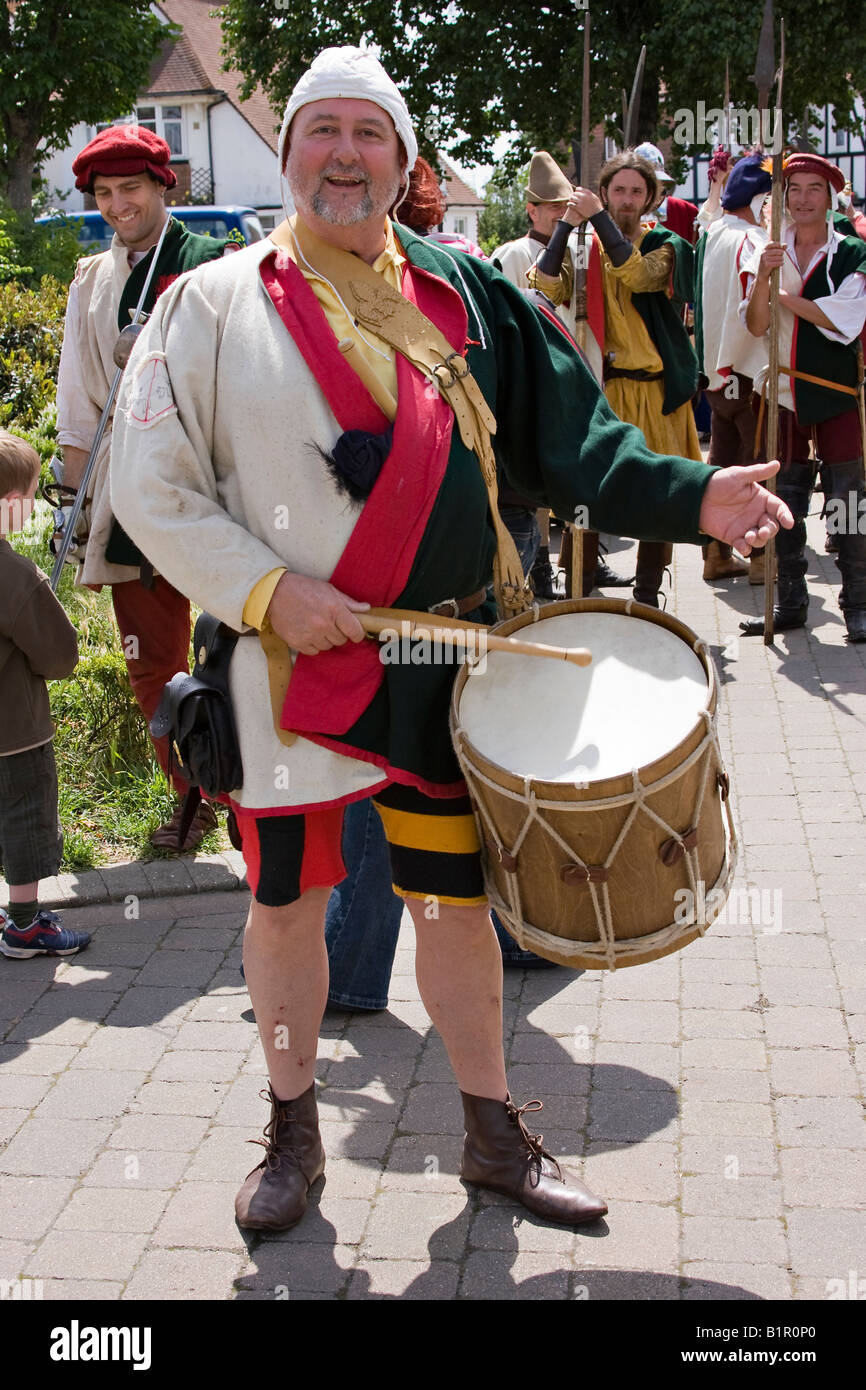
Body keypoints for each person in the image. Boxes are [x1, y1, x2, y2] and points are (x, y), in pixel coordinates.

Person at [110, 45, 791, 1234]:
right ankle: (291, 1134)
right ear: (289, 155)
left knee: (450, 903)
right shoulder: (206, 303)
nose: (343, 155)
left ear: (403, 158)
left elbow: (576, 446)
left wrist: (692, 499)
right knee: (282, 906)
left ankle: (489, 1133)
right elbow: (152, 486)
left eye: (368, 134)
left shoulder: (469, 295)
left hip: (439, 664)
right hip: (286, 671)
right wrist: (267, 590)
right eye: (320, 131)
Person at [55, 125, 239, 851]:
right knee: (152, 665)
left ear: (166, 187)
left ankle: (264, 793)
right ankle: (196, 796)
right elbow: (76, 399)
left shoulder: (214, 266)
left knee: (236, 650)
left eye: (130, 188)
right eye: (104, 193)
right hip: (130, 494)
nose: (117, 204)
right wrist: (75, 503)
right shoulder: (91, 281)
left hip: (213, 485)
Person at [532, 151, 703, 607]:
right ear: (605, 192)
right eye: (618, 191)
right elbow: (546, 286)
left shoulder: (667, 244)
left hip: (657, 389)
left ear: (651, 198)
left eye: (636, 192)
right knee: (589, 492)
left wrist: (599, 220)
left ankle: (648, 599)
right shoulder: (584, 249)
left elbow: (639, 276)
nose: (627, 200)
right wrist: (567, 225)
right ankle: (583, 595)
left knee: (660, 490)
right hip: (602, 388)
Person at [740, 153, 866, 643]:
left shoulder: (851, 253)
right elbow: (756, 325)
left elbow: (841, 320)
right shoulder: (767, 249)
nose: (803, 198)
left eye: (815, 189)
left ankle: (857, 603)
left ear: (830, 198)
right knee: (782, 503)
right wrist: (767, 277)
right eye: (795, 189)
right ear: (783, 196)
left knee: (848, 504)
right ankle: (790, 603)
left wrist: (782, 297)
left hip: (835, 396)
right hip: (783, 395)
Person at [0, 431, 87, 959]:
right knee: (26, 815)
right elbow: (59, 656)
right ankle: (26, 925)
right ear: (11, 506)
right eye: (33, 497)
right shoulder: (15, 576)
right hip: (15, 732)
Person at [694, 153, 771, 583]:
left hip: (713, 371)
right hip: (748, 369)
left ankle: (714, 554)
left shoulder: (709, 234)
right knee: (757, 464)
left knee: (722, 462)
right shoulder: (753, 241)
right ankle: (760, 559)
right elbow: (753, 312)